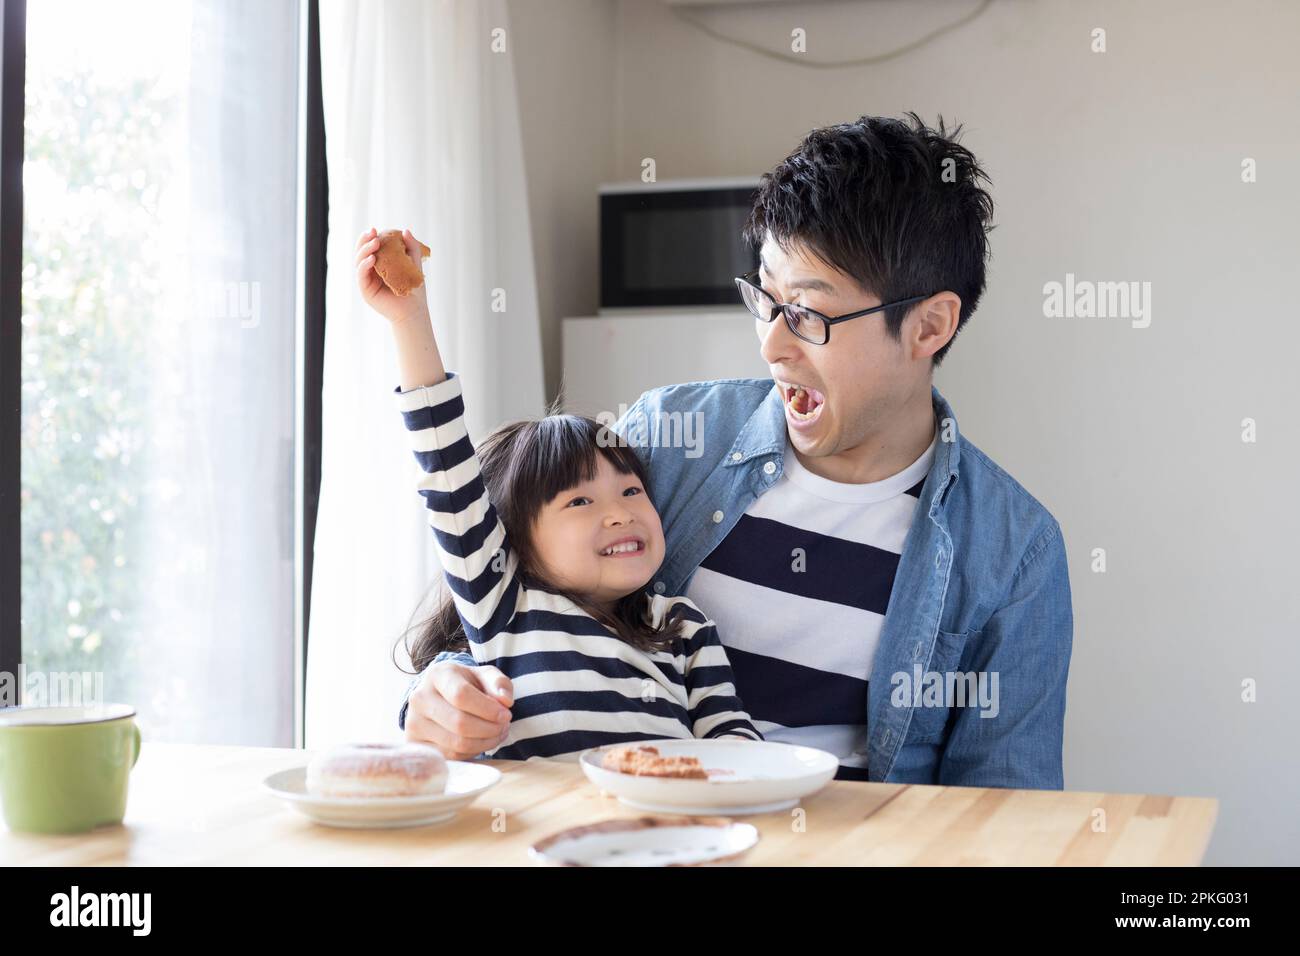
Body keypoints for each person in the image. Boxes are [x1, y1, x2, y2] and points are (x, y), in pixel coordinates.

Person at [400, 113, 1074, 788]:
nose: (772, 345)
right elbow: (501, 606)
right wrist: (439, 695)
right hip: (644, 831)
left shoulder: (1014, 552)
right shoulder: (667, 437)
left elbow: (1008, 808)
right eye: (766, 300)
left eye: (808, 314)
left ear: (929, 326)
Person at [356, 227, 761, 759]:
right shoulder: (503, 603)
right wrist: (410, 318)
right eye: (580, 501)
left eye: (632, 490)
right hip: (534, 837)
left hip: (663, 835)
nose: (620, 514)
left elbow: (734, 739)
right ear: (514, 539)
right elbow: (446, 471)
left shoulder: (683, 624)